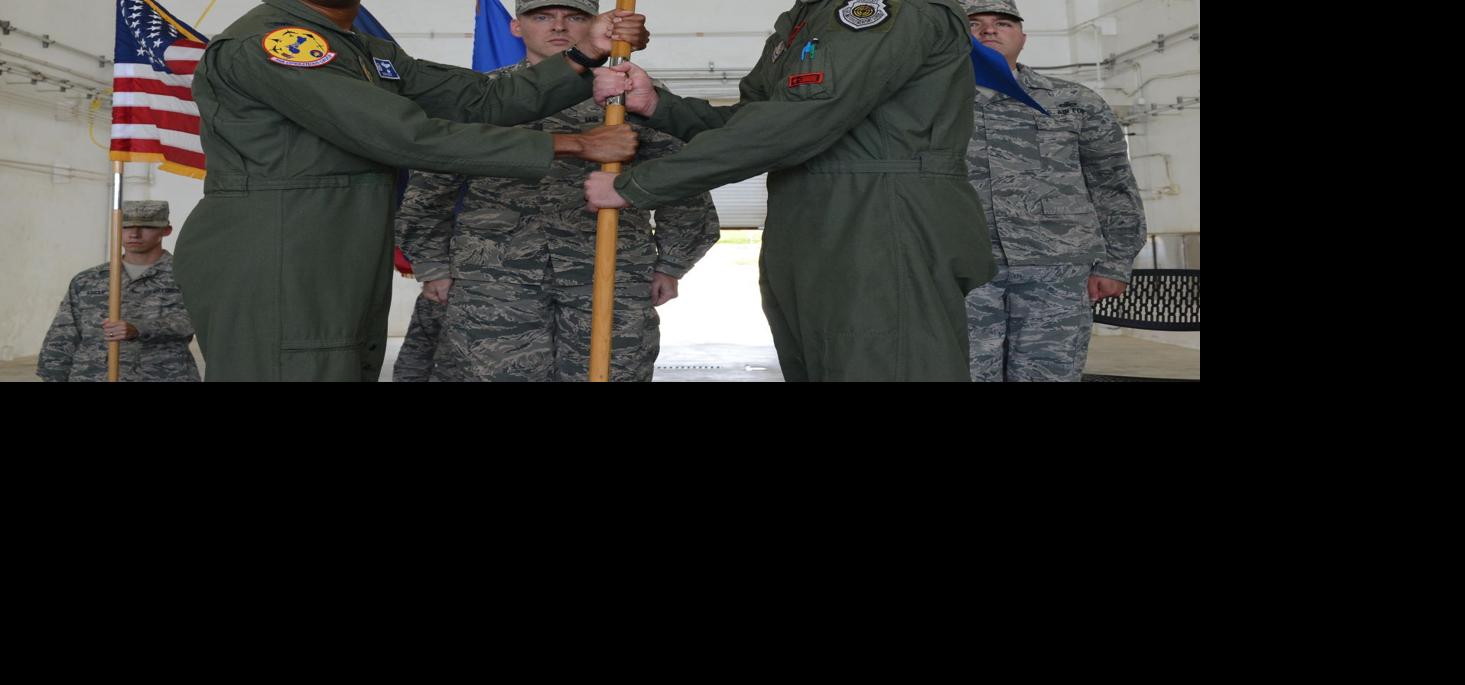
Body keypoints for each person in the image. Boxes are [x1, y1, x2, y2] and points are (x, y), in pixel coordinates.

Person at [174, 0, 648, 381]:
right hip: (280, 247)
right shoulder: (272, 43)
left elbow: (480, 100)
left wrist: (586, 52)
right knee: (295, 364)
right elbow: (402, 135)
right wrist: (573, 143)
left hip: (335, 242)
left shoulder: (361, 47)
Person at [585, 0, 995, 382]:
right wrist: (659, 106)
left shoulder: (889, 11)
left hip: (880, 220)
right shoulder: (806, 17)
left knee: (885, 363)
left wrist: (637, 185)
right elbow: (756, 120)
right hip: (813, 220)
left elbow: (802, 120)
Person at [394, 0, 720, 383]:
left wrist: (672, 262)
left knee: (612, 374)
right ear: (518, 27)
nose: (559, 27)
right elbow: (431, 186)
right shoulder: (483, 96)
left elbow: (680, 181)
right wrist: (431, 264)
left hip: (609, 269)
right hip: (493, 277)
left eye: (576, 17)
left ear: (598, 26)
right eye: (542, 17)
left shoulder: (626, 91)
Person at [962, 0, 1146, 381]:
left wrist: (1115, 262)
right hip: (964, 269)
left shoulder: (1075, 103)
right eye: (974, 24)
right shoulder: (928, 104)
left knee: (1048, 375)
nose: (989, 30)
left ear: (1022, 37)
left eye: (1002, 23)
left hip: (1056, 272)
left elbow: (1112, 183)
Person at [37, 201, 200, 383]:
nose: (134, 234)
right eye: (126, 226)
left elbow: (196, 321)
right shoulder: (88, 280)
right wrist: (53, 375)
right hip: (93, 375)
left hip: (164, 374)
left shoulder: (186, 277)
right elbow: (63, 333)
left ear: (166, 230)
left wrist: (139, 328)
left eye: (147, 226)